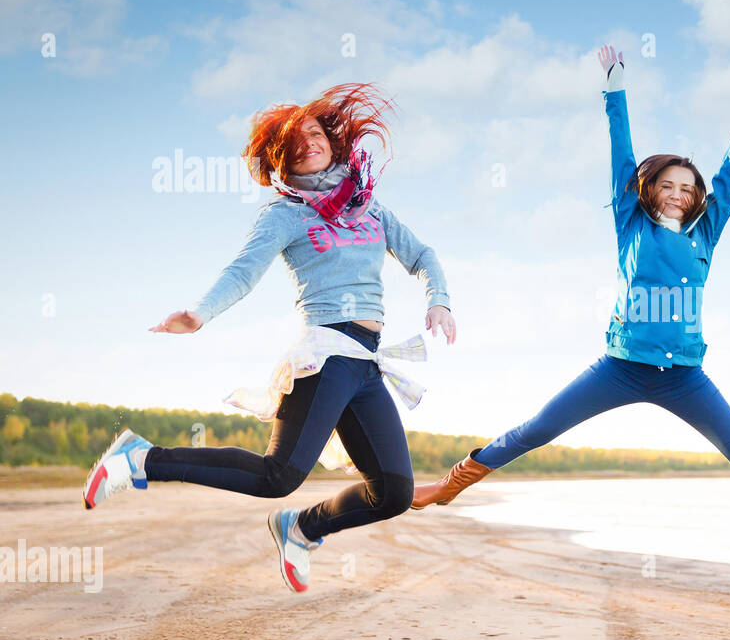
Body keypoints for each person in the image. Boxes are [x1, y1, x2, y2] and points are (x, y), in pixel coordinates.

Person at [410, 46, 730, 568]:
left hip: (684, 376)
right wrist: (614, 89)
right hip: (621, 368)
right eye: (667, 186)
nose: (677, 194)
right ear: (649, 191)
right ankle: (448, 486)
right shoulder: (631, 223)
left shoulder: (707, 232)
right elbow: (621, 152)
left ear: (697, 198)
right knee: (538, 429)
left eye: (687, 189)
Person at [81, 83, 456, 592]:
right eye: (294, 141)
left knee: (392, 492)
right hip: (325, 355)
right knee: (277, 475)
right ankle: (142, 459)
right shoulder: (285, 214)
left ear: (332, 138)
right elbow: (243, 271)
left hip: (366, 364)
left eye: (314, 132)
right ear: (282, 160)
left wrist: (439, 299)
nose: (308, 142)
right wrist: (198, 314)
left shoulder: (371, 209)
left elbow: (423, 256)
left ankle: (302, 529)